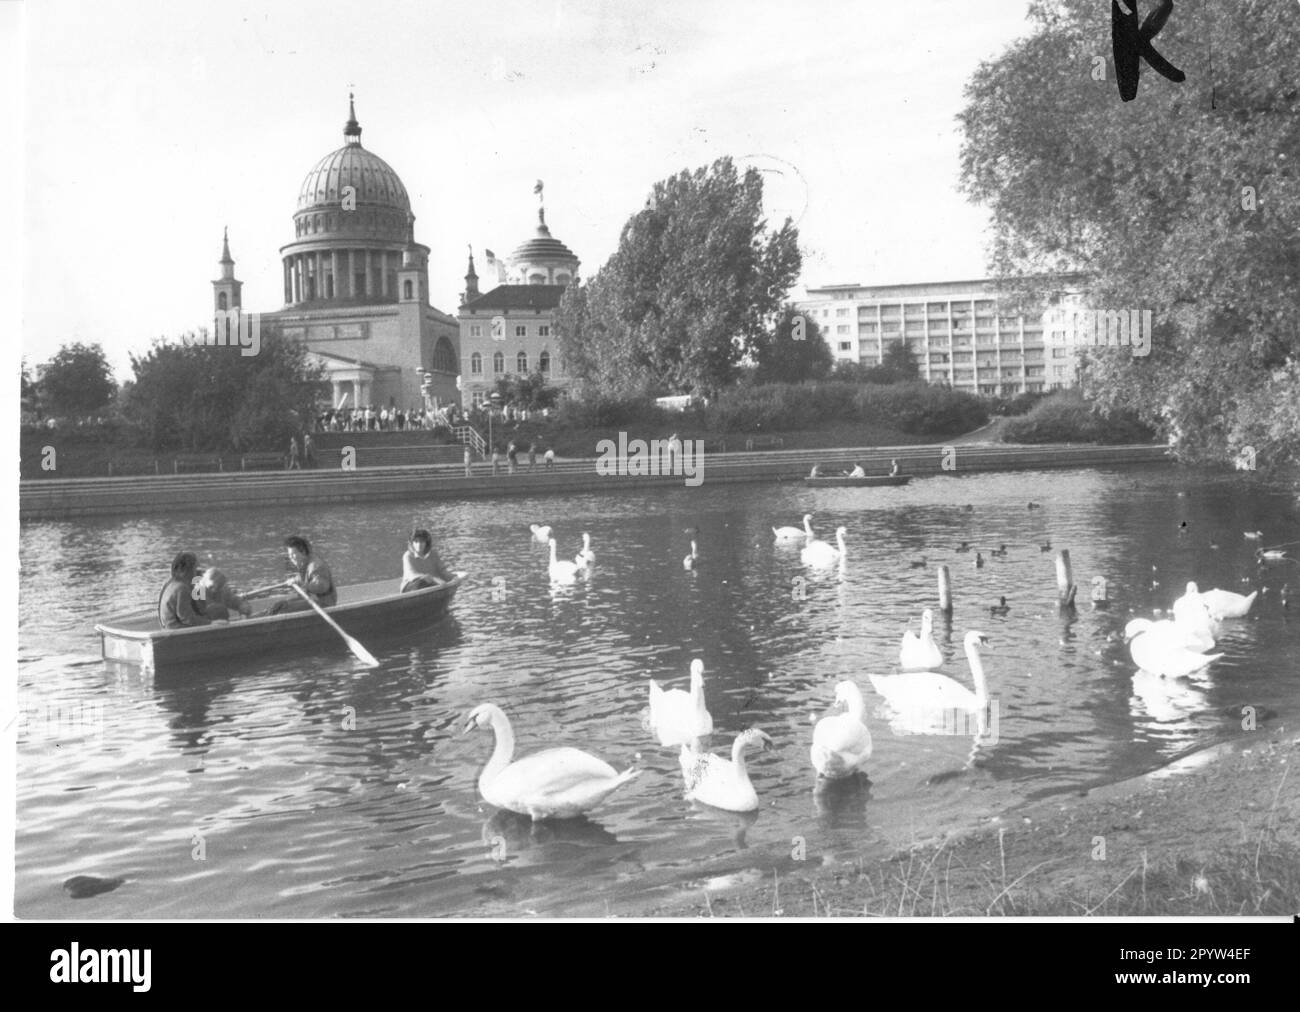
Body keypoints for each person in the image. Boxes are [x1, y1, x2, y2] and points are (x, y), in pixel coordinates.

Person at [268, 536, 337, 614]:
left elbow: (321, 587)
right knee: (280, 605)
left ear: (303, 552)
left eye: (293, 554)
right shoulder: (305, 563)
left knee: (284, 609)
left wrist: (303, 585)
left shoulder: (317, 566)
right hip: (311, 599)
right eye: (289, 555)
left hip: (323, 603)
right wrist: (294, 580)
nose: (291, 558)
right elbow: (304, 578)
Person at [158, 552, 212, 629]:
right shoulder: (182, 588)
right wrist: (211, 623)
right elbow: (187, 618)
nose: (197, 572)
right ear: (188, 570)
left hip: (166, 627)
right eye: (195, 568)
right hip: (176, 630)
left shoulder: (169, 583)